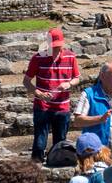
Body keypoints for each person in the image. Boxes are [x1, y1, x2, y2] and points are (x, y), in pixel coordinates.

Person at [23, 28, 82, 163]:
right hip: (42, 107)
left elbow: (77, 78)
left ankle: (57, 172)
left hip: (62, 108)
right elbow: (26, 81)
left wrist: (69, 84)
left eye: (58, 46)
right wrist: (39, 93)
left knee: (60, 144)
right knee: (39, 144)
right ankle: (35, 169)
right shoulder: (38, 58)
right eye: (53, 46)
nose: (56, 49)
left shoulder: (70, 57)